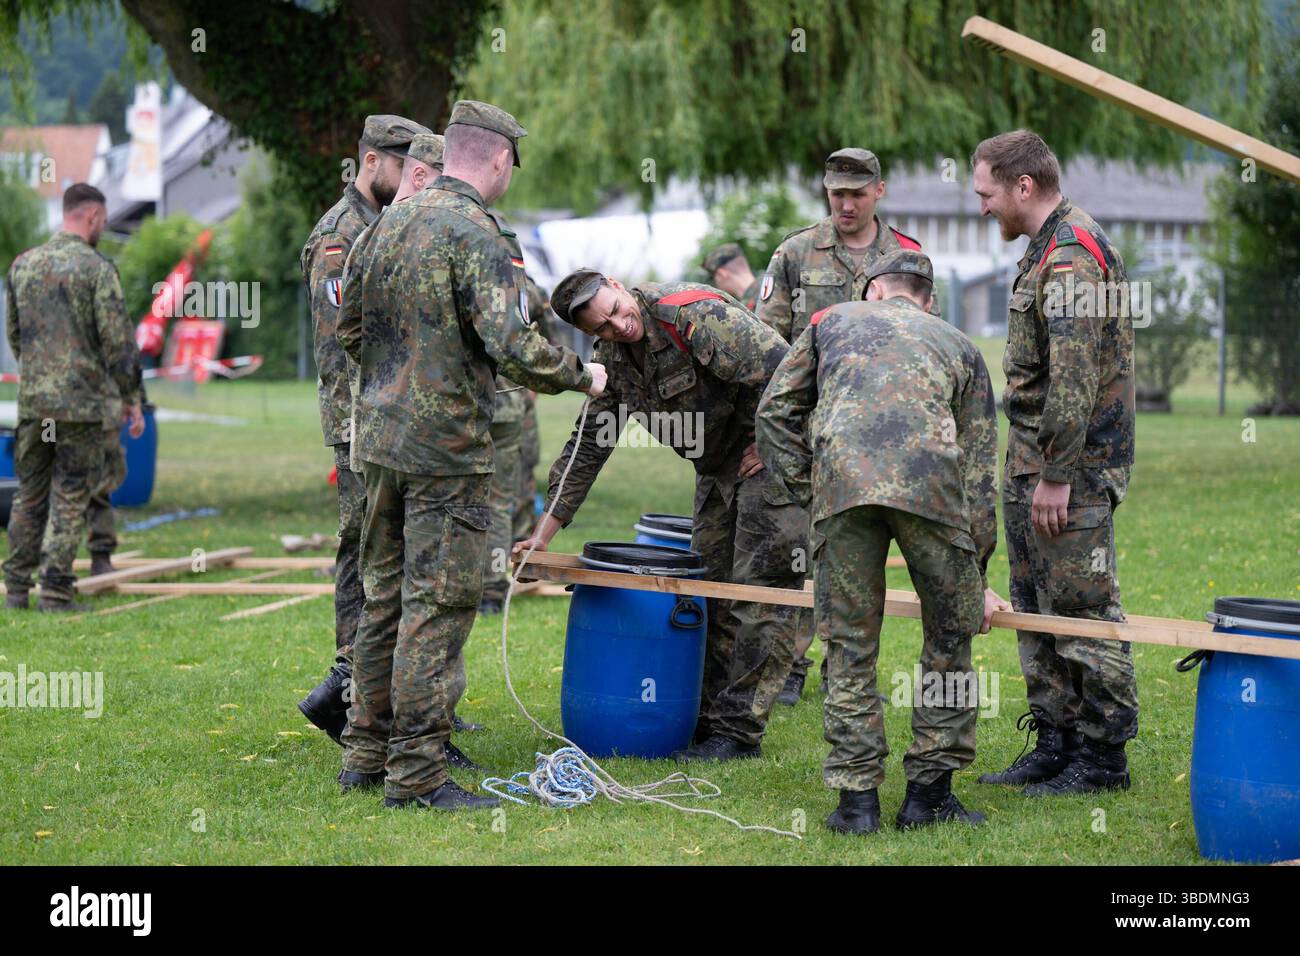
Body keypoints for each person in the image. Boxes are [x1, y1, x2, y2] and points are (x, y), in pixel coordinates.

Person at [336, 100, 606, 810]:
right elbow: (515, 344)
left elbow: (349, 328)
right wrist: (584, 375)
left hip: (380, 446)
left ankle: (364, 752)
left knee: (384, 598)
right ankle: (418, 775)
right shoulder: (474, 231)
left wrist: (399, 380)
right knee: (440, 607)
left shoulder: (388, 222)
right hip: (446, 453)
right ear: (497, 159)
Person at [757, 249, 1009, 834]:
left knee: (848, 645)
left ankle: (856, 806)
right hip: (934, 493)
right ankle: (928, 798)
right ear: (928, 300)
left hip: (843, 489)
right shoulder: (959, 345)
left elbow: (773, 412)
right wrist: (978, 573)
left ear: (873, 291)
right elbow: (978, 470)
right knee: (948, 642)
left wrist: (809, 487)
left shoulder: (828, 323)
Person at [513, 267, 804, 764]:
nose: (619, 327)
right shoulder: (615, 364)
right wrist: (543, 535)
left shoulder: (691, 314)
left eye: (617, 311)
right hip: (715, 468)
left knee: (761, 591)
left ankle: (739, 733)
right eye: (602, 328)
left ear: (619, 287)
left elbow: (789, 369)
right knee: (705, 591)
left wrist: (771, 439)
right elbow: (588, 448)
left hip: (770, 457)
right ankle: (708, 721)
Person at [971, 129, 1138, 796]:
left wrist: (1057, 477)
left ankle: (1101, 758)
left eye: (986, 193)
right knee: (1038, 607)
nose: (982, 208)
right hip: (1032, 464)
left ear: (1023, 186)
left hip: (1072, 471)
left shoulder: (1070, 256)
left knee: (1082, 610)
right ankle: (1057, 738)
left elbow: (1074, 376)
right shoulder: (1042, 249)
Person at [757, 147, 931, 704]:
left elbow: (926, 341)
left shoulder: (906, 257)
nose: (846, 205)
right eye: (836, 195)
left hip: (882, 430)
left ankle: (847, 672)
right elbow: (768, 347)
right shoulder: (795, 253)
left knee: (860, 549)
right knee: (794, 547)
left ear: (879, 190)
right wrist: (766, 432)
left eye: (857, 194)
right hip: (810, 428)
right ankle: (786, 665)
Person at [297, 114, 430, 744]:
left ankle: (387, 698)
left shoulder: (379, 226)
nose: (417, 182)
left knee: (387, 558)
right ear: (373, 161)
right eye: (408, 168)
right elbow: (345, 341)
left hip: (387, 420)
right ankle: (353, 703)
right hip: (360, 422)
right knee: (367, 560)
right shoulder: (340, 236)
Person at [4, 183, 144, 612]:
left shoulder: (23, 265)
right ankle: (55, 589)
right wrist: (131, 397)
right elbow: (118, 342)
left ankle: (15, 589)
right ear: (94, 217)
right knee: (69, 493)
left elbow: (14, 333)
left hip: (34, 405)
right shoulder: (98, 269)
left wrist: (38, 374)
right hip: (79, 407)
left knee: (30, 493)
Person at [702, 242, 760, 311]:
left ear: (722, 273)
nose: (716, 285)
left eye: (713, 278)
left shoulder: (748, 308)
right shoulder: (769, 290)